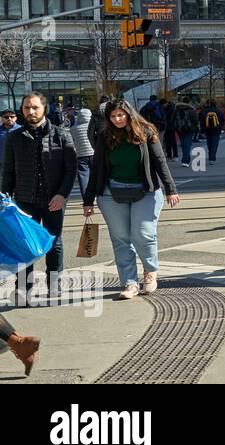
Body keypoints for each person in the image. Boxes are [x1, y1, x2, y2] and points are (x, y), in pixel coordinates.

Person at [81, 99, 180, 300]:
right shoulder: (105, 136)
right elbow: (97, 167)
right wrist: (88, 200)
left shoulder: (146, 132)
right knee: (120, 239)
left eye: (120, 115)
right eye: (113, 116)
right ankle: (129, 283)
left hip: (145, 191)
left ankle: (150, 271)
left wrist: (171, 189)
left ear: (129, 113)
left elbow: (160, 161)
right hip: (111, 193)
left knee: (142, 234)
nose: (117, 119)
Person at [2, 92, 76, 304]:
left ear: (44, 109)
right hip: (24, 200)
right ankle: (23, 288)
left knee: (54, 242)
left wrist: (62, 195)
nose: (30, 112)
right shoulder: (14, 137)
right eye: (26, 108)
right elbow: (8, 170)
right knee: (24, 244)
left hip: (54, 200)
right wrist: (5, 198)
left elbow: (71, 170)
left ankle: (55, 283)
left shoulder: (61, 134)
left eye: (35, 107)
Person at [70, 106, 94, 201]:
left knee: (83, 177)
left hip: (80, 156)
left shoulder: (73, 129)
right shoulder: (93, 126)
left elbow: (72, 142)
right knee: (96, 175)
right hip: (94, 154)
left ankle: (87, 199)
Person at [173, 100, 198, 166]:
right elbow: (195, 121)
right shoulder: (191, 110)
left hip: (180, 130)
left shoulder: (176, 110)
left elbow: (172, 120)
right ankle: (185, 161)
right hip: (189, 130)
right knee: (187, 145)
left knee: (183, 145)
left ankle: (186, 159)